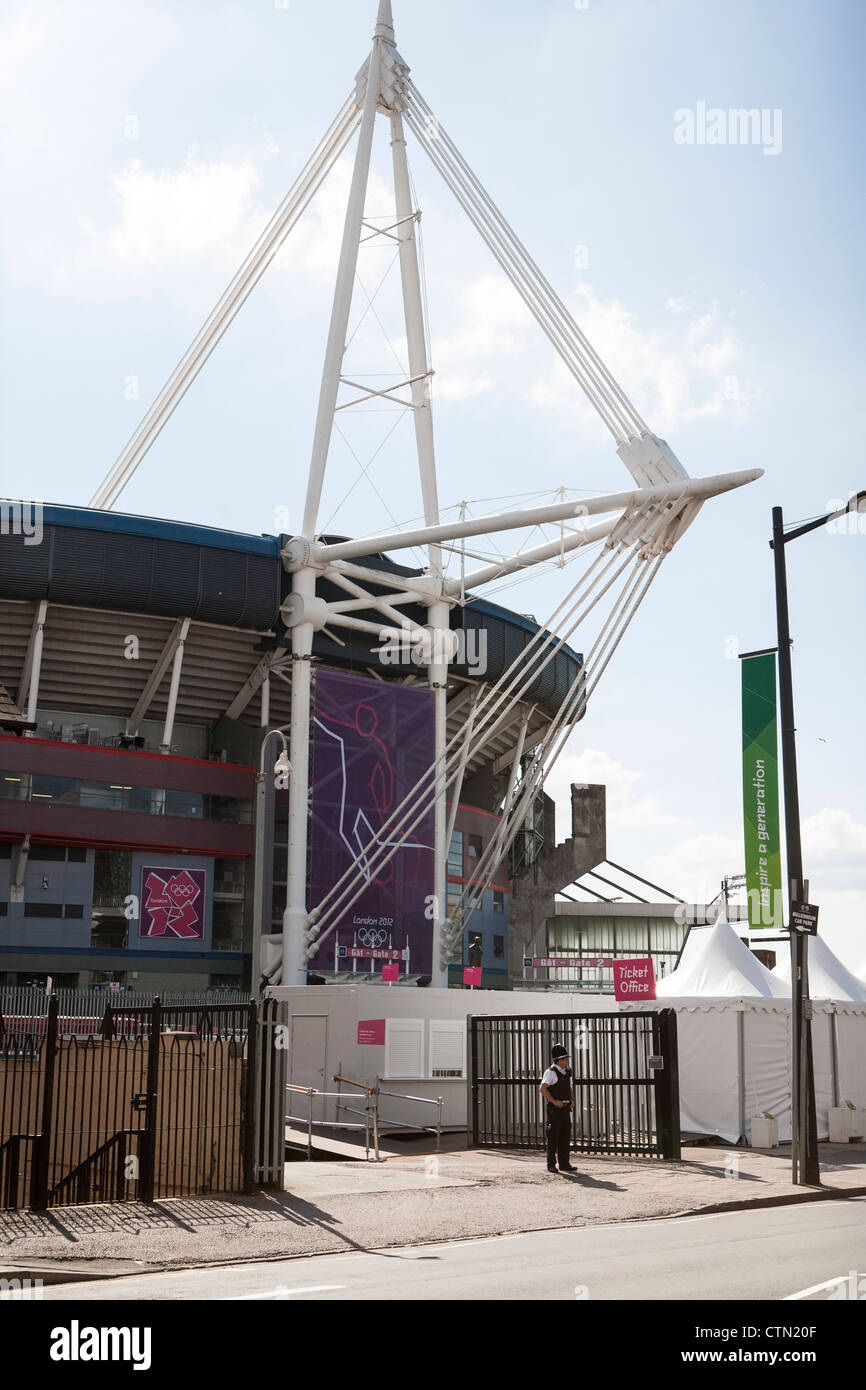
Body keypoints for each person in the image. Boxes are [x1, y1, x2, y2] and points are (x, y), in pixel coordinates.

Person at [540, 1044, 576, 1173]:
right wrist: (554, 1102)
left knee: (565, 1136)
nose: (566, 1061)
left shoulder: (567, 1072)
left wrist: (572, 1100)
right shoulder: (551, 1072)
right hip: (555, 1109)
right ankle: (551, 1164)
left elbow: (570, 1087)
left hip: (565, 1108)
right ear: (558, 1060)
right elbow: (543, 1088)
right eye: (564, 1059)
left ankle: (564, 1163)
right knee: (553, 1136)